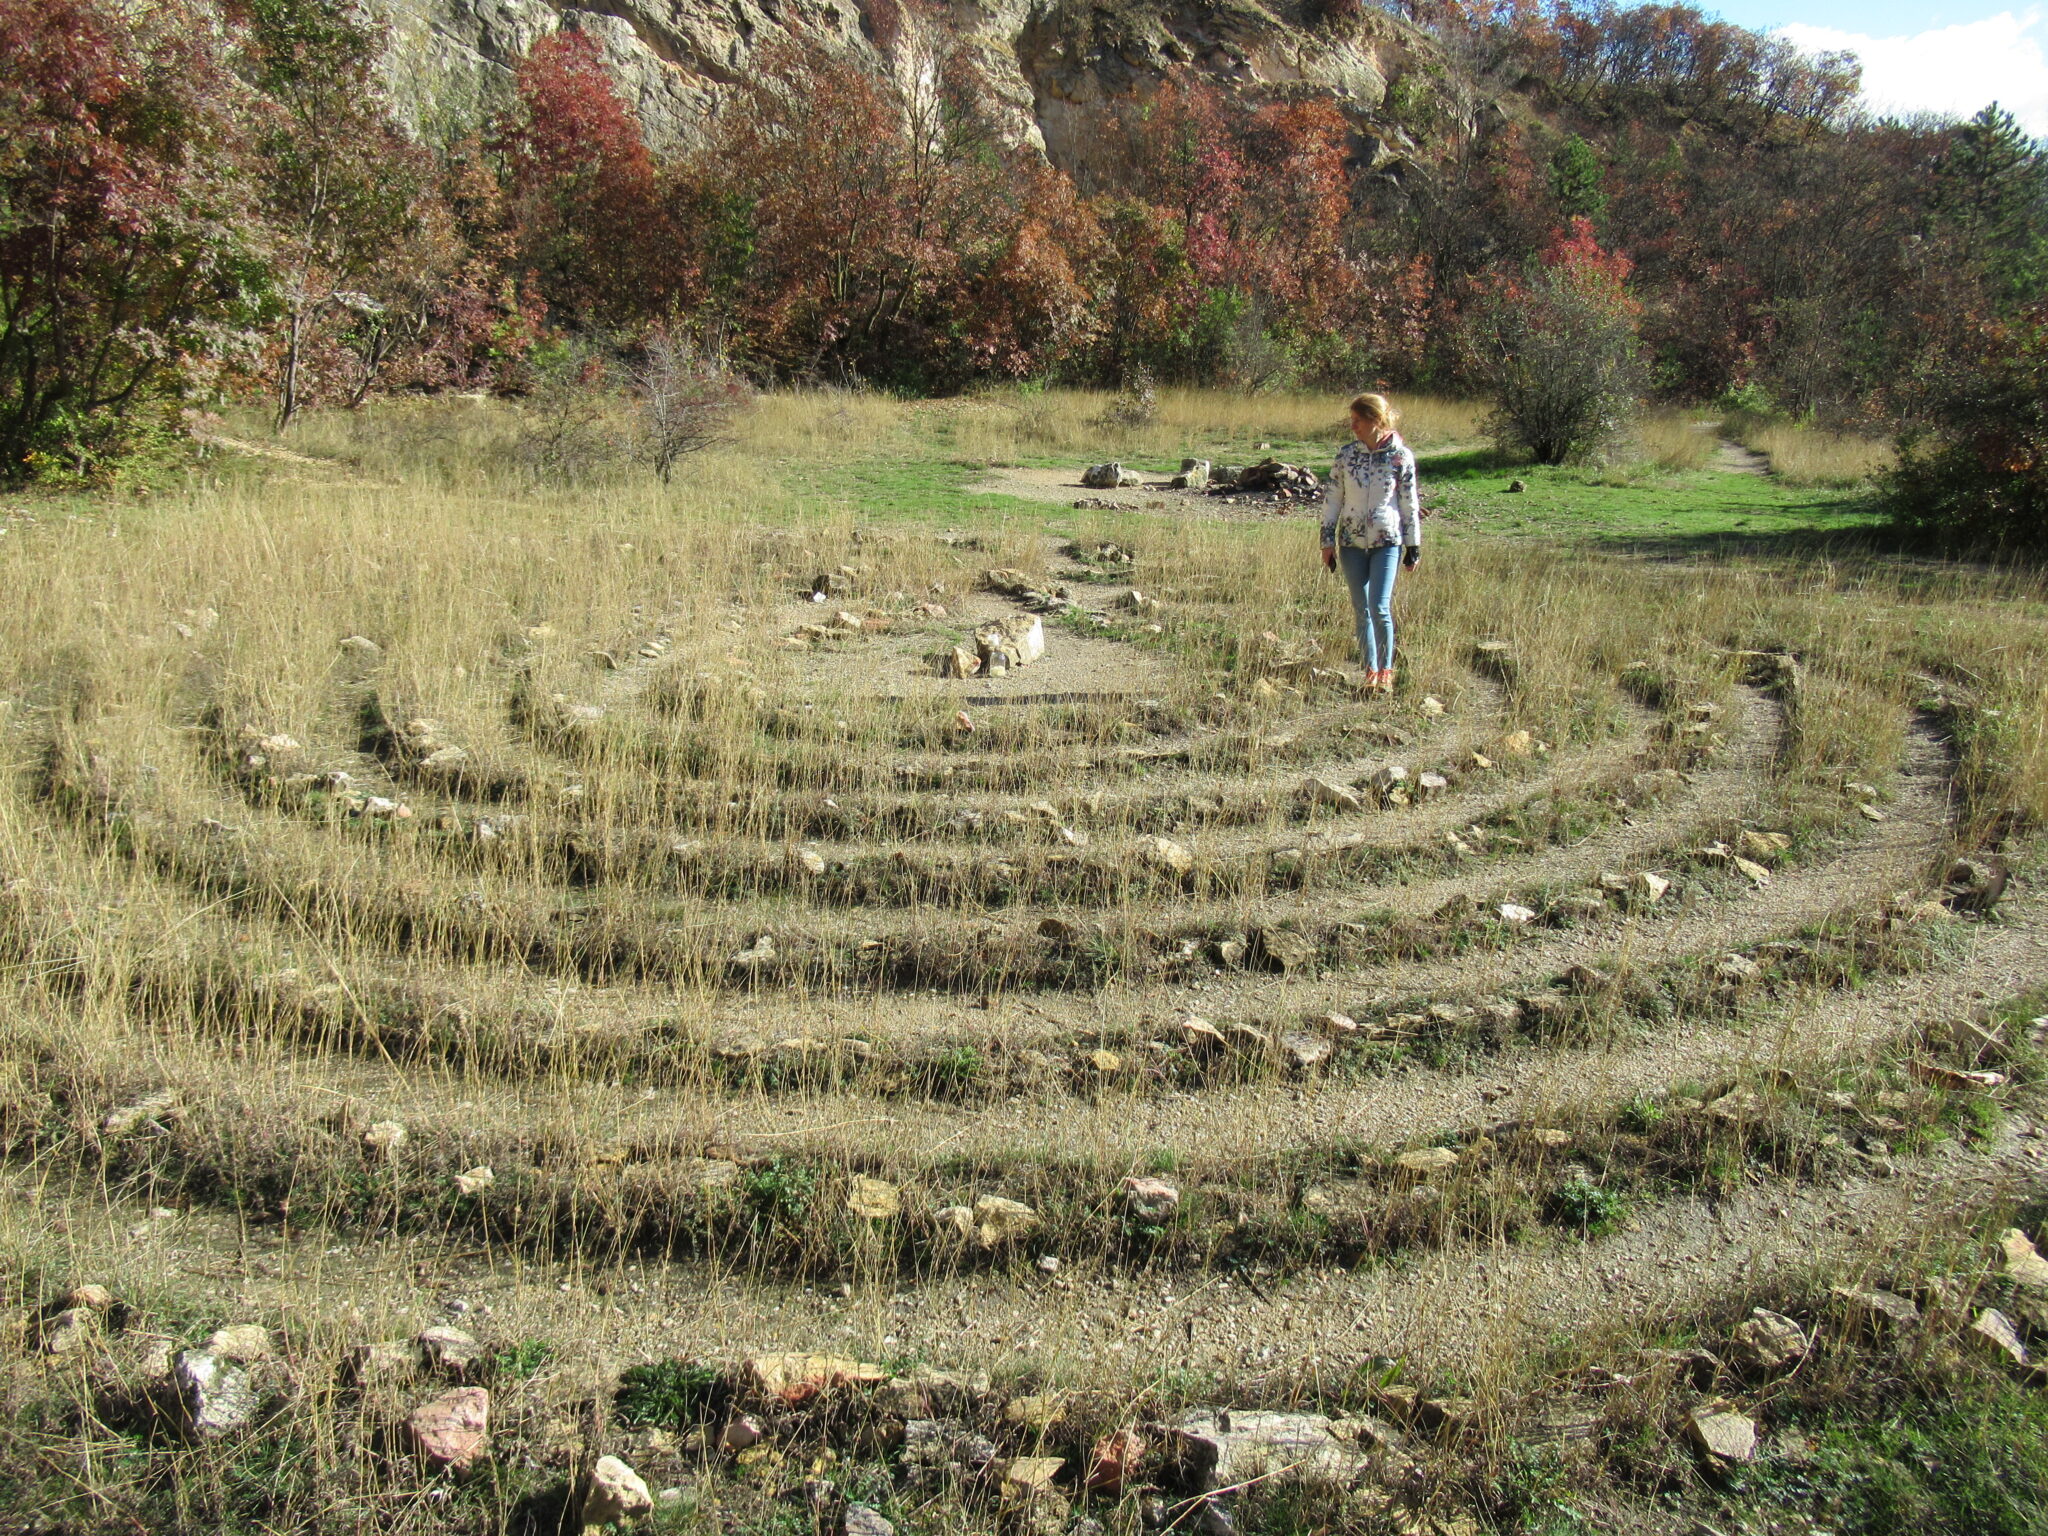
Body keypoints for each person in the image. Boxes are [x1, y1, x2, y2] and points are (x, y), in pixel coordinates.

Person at [1319, 392, 1420, 694]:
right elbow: (1333, 500)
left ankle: (1386, 671)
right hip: (1350, 542)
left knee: (1379, 607)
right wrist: (1327, 542)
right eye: (1351, 420)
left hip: (1387, 541)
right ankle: (1370, 671)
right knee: (1361, 608)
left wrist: (1413, 545)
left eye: (1358, 420)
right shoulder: (1346, 456)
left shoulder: (1400, 456)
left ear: (1375, 419)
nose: (1353, 426)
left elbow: (1409, 502)